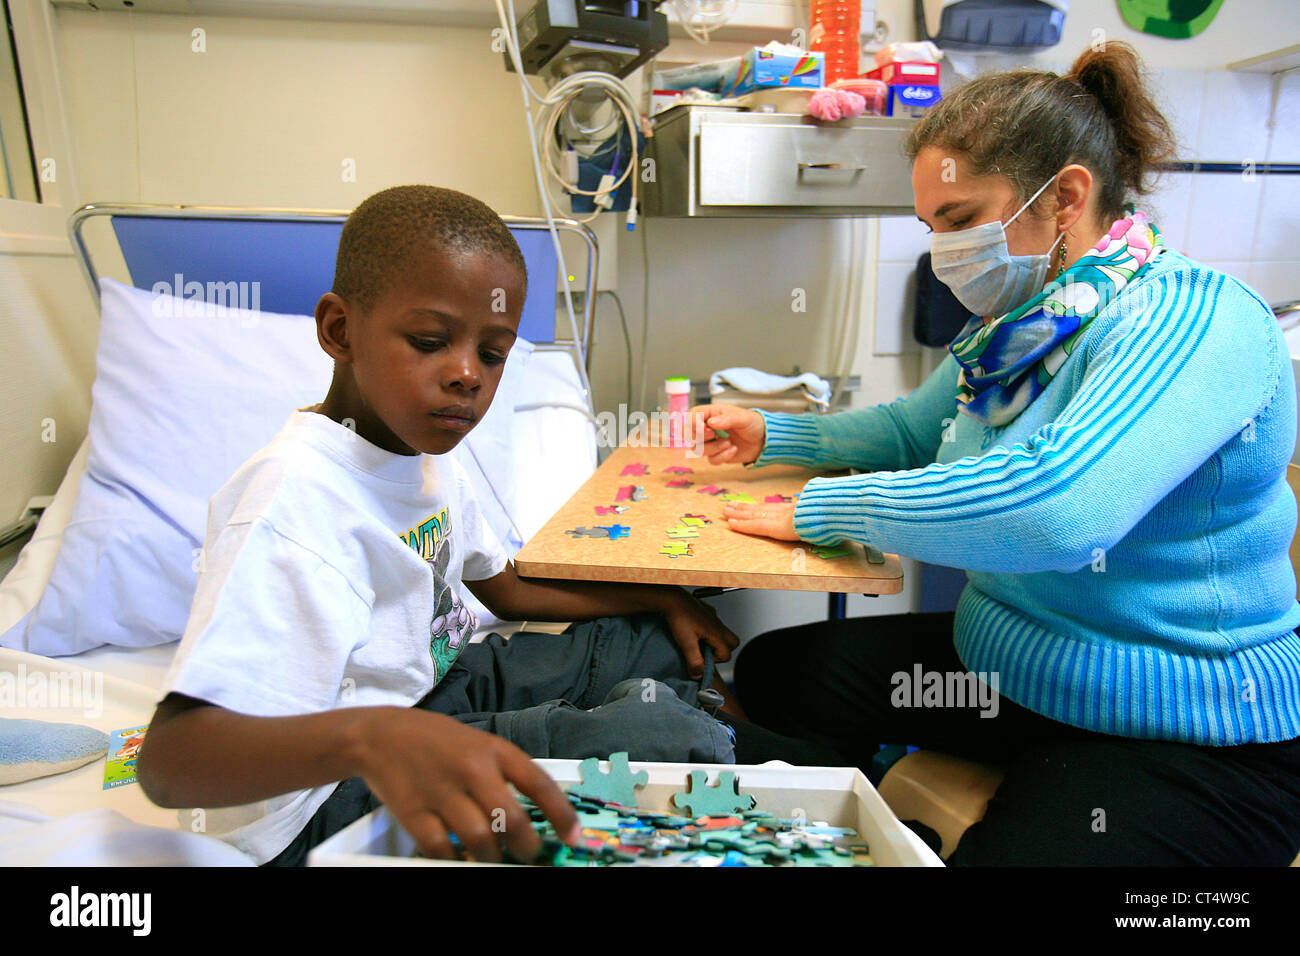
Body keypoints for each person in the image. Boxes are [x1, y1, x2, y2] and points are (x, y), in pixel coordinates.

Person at [690, 42, 1300, 866]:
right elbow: (913, 430)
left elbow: (1055, 511)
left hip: (1181, 721)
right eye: (930, 226)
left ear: (1066, 197)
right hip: (1009, 679)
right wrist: (779, 436)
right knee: (777, 676)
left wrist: (819, 508)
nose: (944, 251)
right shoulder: (1022, 331)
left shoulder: (1197, 320)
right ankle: (900, 813)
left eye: (961, 219)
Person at [136, 184, 760, 867]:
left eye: (492, 354)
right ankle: (728, 751)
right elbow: (169, 761)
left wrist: (661, 597)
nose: (467, 375)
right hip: (316, 805)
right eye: (431, 341)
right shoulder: (292, 504)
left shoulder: (422, 457)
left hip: (424, 700)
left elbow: (508, 590)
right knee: (660, 737)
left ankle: (684, 716)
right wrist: (371, 739)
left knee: (647, 639)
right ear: (340, 331)